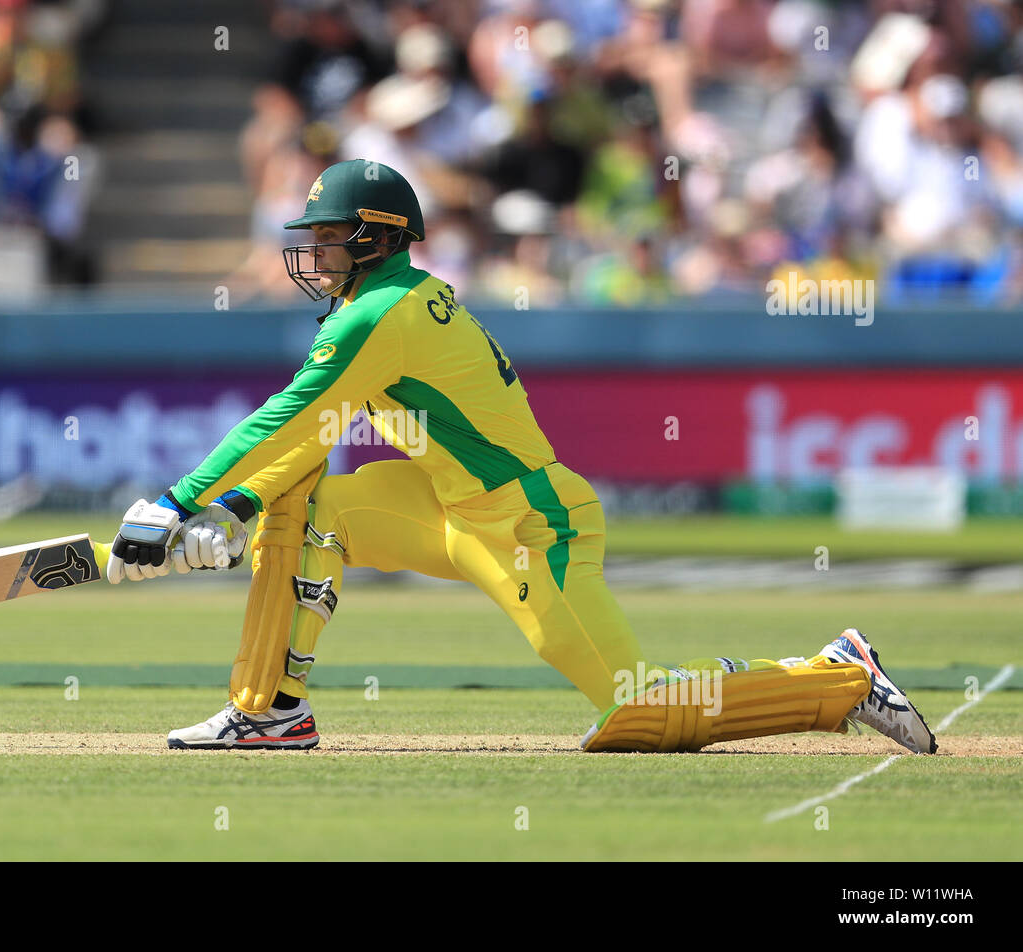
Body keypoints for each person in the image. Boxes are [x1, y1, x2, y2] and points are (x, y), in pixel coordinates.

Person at [105, 159, 936, 755]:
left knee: (641, 714)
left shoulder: (378, 315)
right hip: (443, 505)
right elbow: (317, 437)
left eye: (328, 237)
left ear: (376, 237)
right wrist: (238, 510)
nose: (313, 254)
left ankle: (838, 677)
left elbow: (288, 416)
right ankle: (269, 711)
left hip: (527, 521)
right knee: (312, 506)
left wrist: (177, 502)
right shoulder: (379, 309)